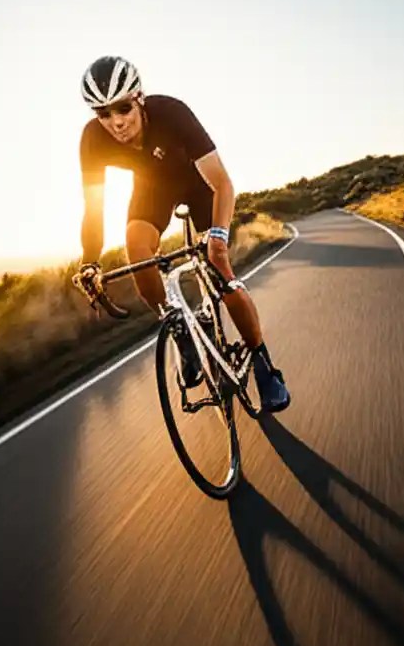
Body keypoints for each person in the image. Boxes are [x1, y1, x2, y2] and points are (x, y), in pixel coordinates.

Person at [72, 55, 290, 413]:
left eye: (123, 108)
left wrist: (218, 236)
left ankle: (265, 367)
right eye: (103, 113)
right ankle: (182, 332)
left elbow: (222, 182)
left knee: (221, 270)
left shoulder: (172, 113)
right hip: (152, 188)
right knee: (139, 259)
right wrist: (90, 263)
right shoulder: (93, 140)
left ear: (139, 98)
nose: (116, 122)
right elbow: (93, 209)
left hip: (198, 184)